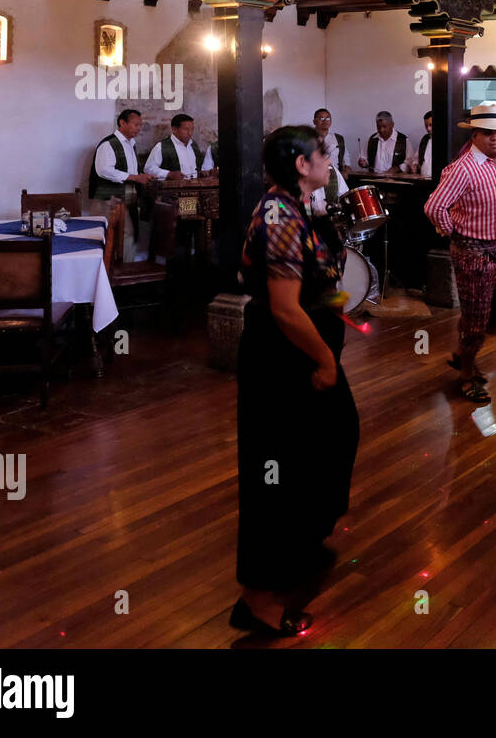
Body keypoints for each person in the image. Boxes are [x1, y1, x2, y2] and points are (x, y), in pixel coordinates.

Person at [232, 126, 360, 636]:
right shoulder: (280, 214)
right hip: (282, 356)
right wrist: (325, 361)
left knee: (334, 435)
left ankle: (303, 540)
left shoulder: (303, 207)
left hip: (305, 350)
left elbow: (318, 280)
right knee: (273, 472)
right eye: (322, 153)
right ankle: (257, 599)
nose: (329, 159)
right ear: (301, 165)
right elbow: (285, 310)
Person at [423, 103, 496, 403]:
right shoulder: (462, 169)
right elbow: (434, 207)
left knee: (494, 311)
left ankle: (465, 355)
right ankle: (466, 374)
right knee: (476, 317)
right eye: (488, 134)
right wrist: (455, 232)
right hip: (473, 251)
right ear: (474, 135)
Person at [88, 108, 161, 262]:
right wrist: (135, 177)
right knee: (113, 234)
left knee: (127, 234)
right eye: (136, 124)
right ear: (122, 123)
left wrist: (143, 176)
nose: (139, 128)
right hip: (110, 197)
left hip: (126, 195)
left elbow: (131, 170)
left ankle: (124, 268)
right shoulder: (108, 144)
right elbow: (103, 170)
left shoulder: (131, 144)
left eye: (140, 125)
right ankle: (113, 271)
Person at [143, 113, 214, 181]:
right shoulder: (161, 147)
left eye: (192, 129)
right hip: (172, 191)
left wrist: (203, 173)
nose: (190, 133)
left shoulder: (193, 145)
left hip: (195, 189)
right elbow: (148, 169)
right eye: (186, 129)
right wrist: (168, 174)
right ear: (174, 129)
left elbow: (198, 169)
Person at [313, 108, 351, 179]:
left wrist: (345, 171)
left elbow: (347, 164)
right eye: (321, 118)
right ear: (314, 121)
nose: (325, 121)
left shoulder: (338, 138)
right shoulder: (308, 137)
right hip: (314, 178)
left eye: (328, 119)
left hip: (335, 178)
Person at [417, 110, 433, 177]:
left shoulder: (447, 141)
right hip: (423, 180)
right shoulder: (425, 139)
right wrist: (414, 164)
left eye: (431, 125)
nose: (428, 129)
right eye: (426, 126)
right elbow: (416, 158)